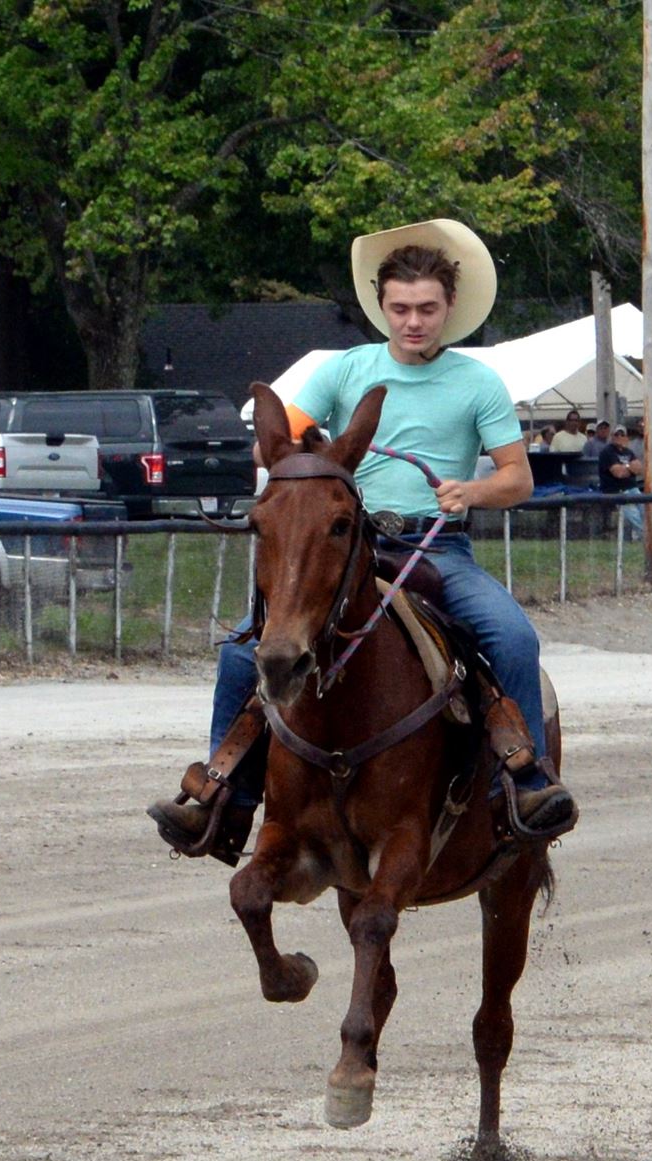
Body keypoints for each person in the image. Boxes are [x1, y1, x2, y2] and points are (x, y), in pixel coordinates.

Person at [148, 219, 577, 862]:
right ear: (381, 306)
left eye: (427, 309)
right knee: (243, 652)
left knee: (513, 636)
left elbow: (518, 479)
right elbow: (279, 443)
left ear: (449, 308)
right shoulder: (345, 369)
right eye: (400, 308)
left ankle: (526, 787)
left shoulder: (477, 383)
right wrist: (286, 482)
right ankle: (225, 799)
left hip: (438, 550)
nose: (413, 322)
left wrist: (471, 491)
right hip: (347, 551)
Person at [599, 424, 647, 537]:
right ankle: (645, 537)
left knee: (645, 510)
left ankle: (641, 536)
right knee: (633, 514)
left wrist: (624, 467)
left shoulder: (629, 452)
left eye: (622, 434)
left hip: (633, 489)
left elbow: (640, 469)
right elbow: (618, 474)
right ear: (612, 436)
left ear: (626, 438)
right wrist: (630, 467)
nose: (619, 436)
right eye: (616, 434)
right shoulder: (607, 452)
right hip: (616, 491)